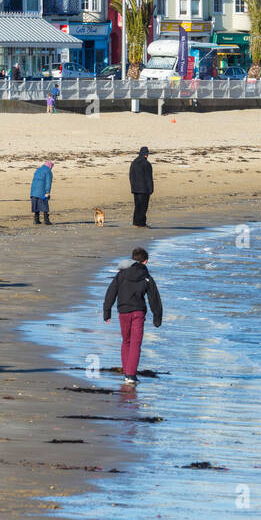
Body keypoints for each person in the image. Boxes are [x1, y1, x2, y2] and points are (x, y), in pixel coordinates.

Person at [103, 247, 163, 386]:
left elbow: (111, 292)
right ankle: (130, 374)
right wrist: (157, 317)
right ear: (145, 262)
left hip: (123, 311)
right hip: (138, 312)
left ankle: (127, 372)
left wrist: (107, 312)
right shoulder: (146, 276)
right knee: (135, 343)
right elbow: (154, 297)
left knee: (126, 341)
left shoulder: (121, 274)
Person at [130, 147, 154, 228]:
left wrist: (132, 187)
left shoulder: (134, 163)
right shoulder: (146, 164)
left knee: (138, 206)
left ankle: (136, 223)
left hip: (135, 188)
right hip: (144, 189)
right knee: (143, 207)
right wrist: (151, 189)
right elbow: (148, 178)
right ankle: (141, 223)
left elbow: (131, 176)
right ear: (146, 155)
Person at [30, 160, 54, 225]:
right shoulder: (48, 171)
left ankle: (36, 220)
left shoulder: (38, 170)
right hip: (42, 191)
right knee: (44, 205)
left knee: (35, 204)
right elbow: (48, 183)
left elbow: (34, 181)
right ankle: (46, 220)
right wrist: (47, 192)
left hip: (33, 191)